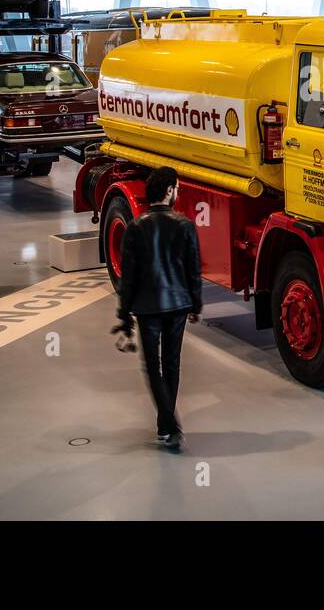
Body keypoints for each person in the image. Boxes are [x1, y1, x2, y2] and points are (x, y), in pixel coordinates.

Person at [115, 167, 203, 449]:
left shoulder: (135, 227)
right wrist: (196, 303)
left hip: (146, 307)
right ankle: (167, 425)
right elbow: (193, 270)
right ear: (168, 191)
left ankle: (167, 425)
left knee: (152, 366)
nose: (178, 192)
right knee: (172, 363)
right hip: (178, 304)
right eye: (176, 187)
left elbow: (128, 277)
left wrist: (124, 312)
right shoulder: (185, 225)